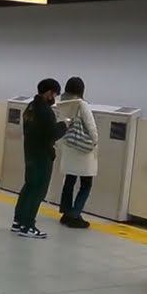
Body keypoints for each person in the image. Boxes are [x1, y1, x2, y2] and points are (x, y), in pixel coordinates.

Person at [13, 78, 68, 238]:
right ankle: (28, 225)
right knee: (38, 190)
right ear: (49, 92)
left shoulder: (30, 107)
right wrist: (64, 125)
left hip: (29, 153)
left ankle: (18, 221)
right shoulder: (45, 111)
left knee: (29, 187)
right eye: (54, 94)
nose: (54, 98)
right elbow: (52, 133)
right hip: (42, 156)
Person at [57, 76, 99, 229]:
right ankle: (75, 215)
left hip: (69, 146)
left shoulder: (62, 104)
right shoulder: (82, 104)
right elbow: (90, 126)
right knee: (86, 184)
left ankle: (66, 213)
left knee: (69, 180)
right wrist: (95, 141)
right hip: (83, 149)